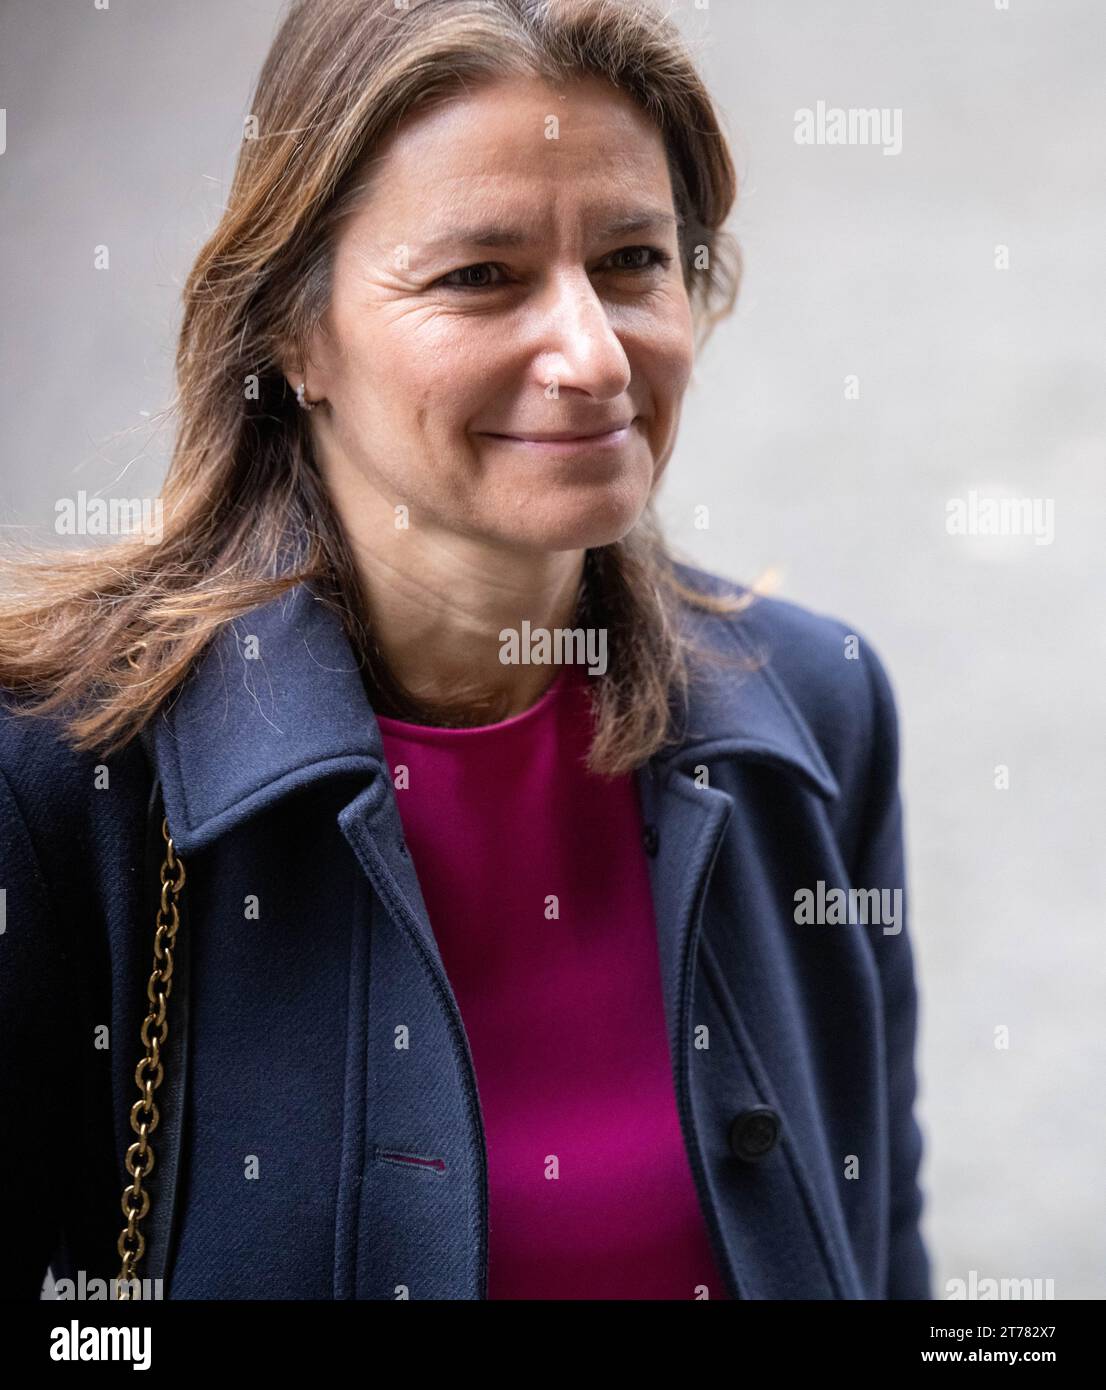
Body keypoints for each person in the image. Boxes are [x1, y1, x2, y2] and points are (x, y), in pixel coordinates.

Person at [0, 0, 930, 1300]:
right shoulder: (62, 769)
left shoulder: (813, 707)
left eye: (631, 259)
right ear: (298, 336)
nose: (593, 353)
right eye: (479, 275)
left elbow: (882, 1245)